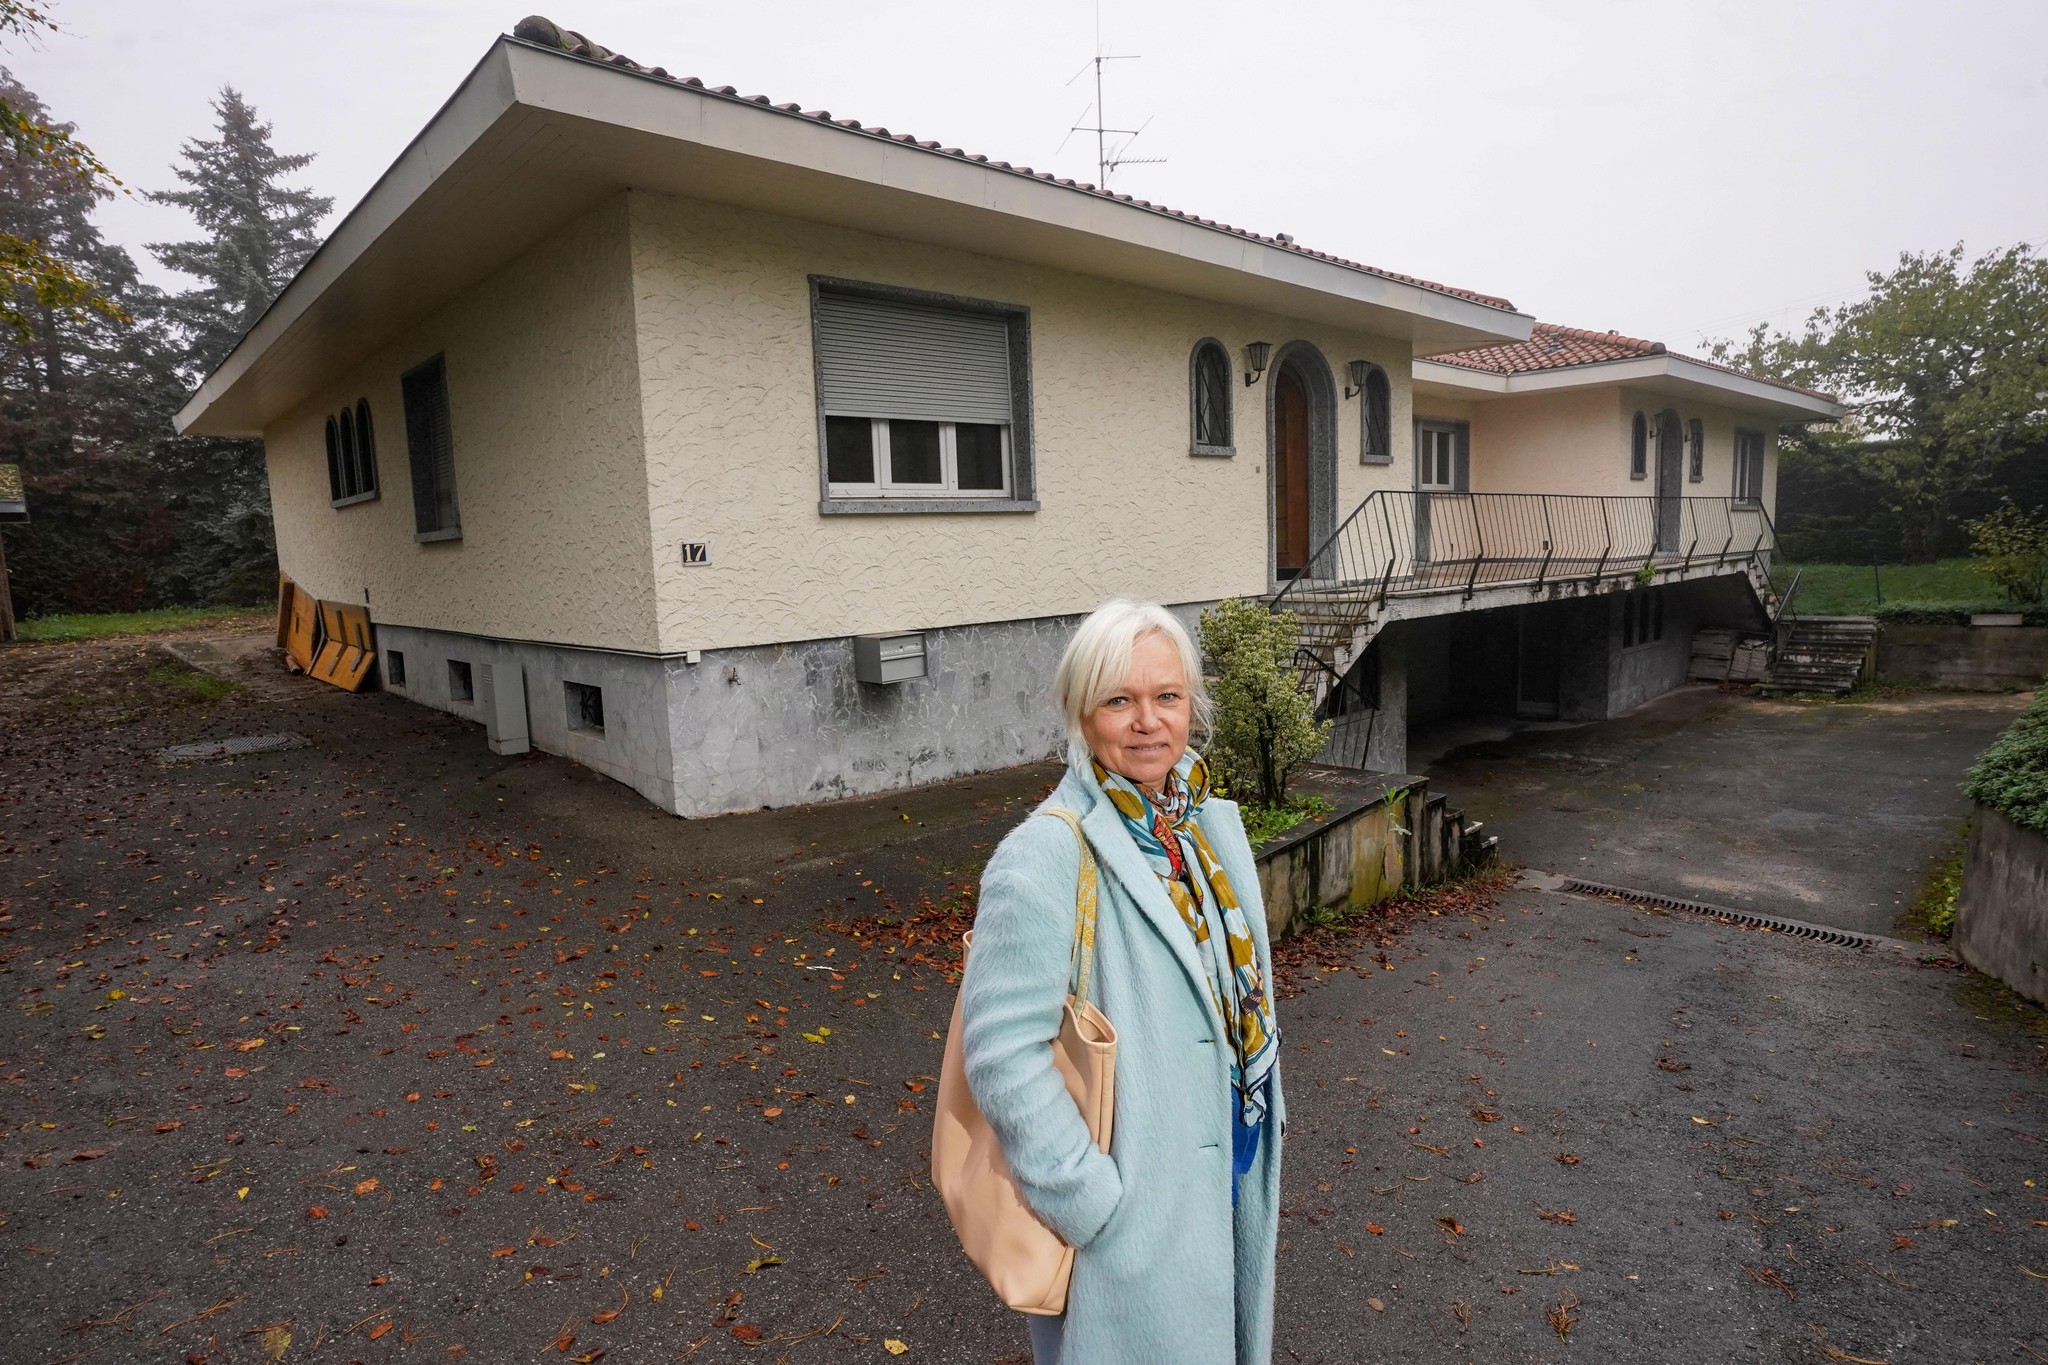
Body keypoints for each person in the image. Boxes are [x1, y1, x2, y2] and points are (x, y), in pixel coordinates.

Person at [960, 598, 1284, 1365]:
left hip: (1221, 1165)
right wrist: (1091, 1203)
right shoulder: (1044, 853)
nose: (1148, 721)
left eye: (1167, 696)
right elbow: (1003, 1054)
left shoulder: (1197, 829)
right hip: (1131, 1205)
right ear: (1082, 710)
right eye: (1120, 699)